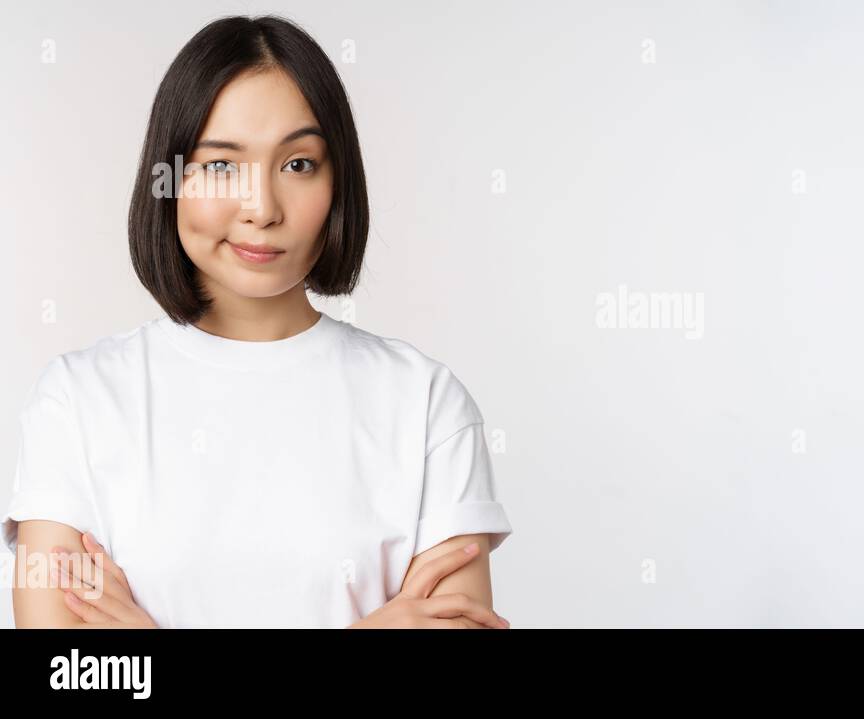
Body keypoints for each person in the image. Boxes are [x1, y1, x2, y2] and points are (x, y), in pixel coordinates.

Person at [4, 15, 512, 629]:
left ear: (337, 180)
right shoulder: (77, 402)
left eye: (298, 165)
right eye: (222, 166)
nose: (263, 209)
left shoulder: (427, 405)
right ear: (169, 180)